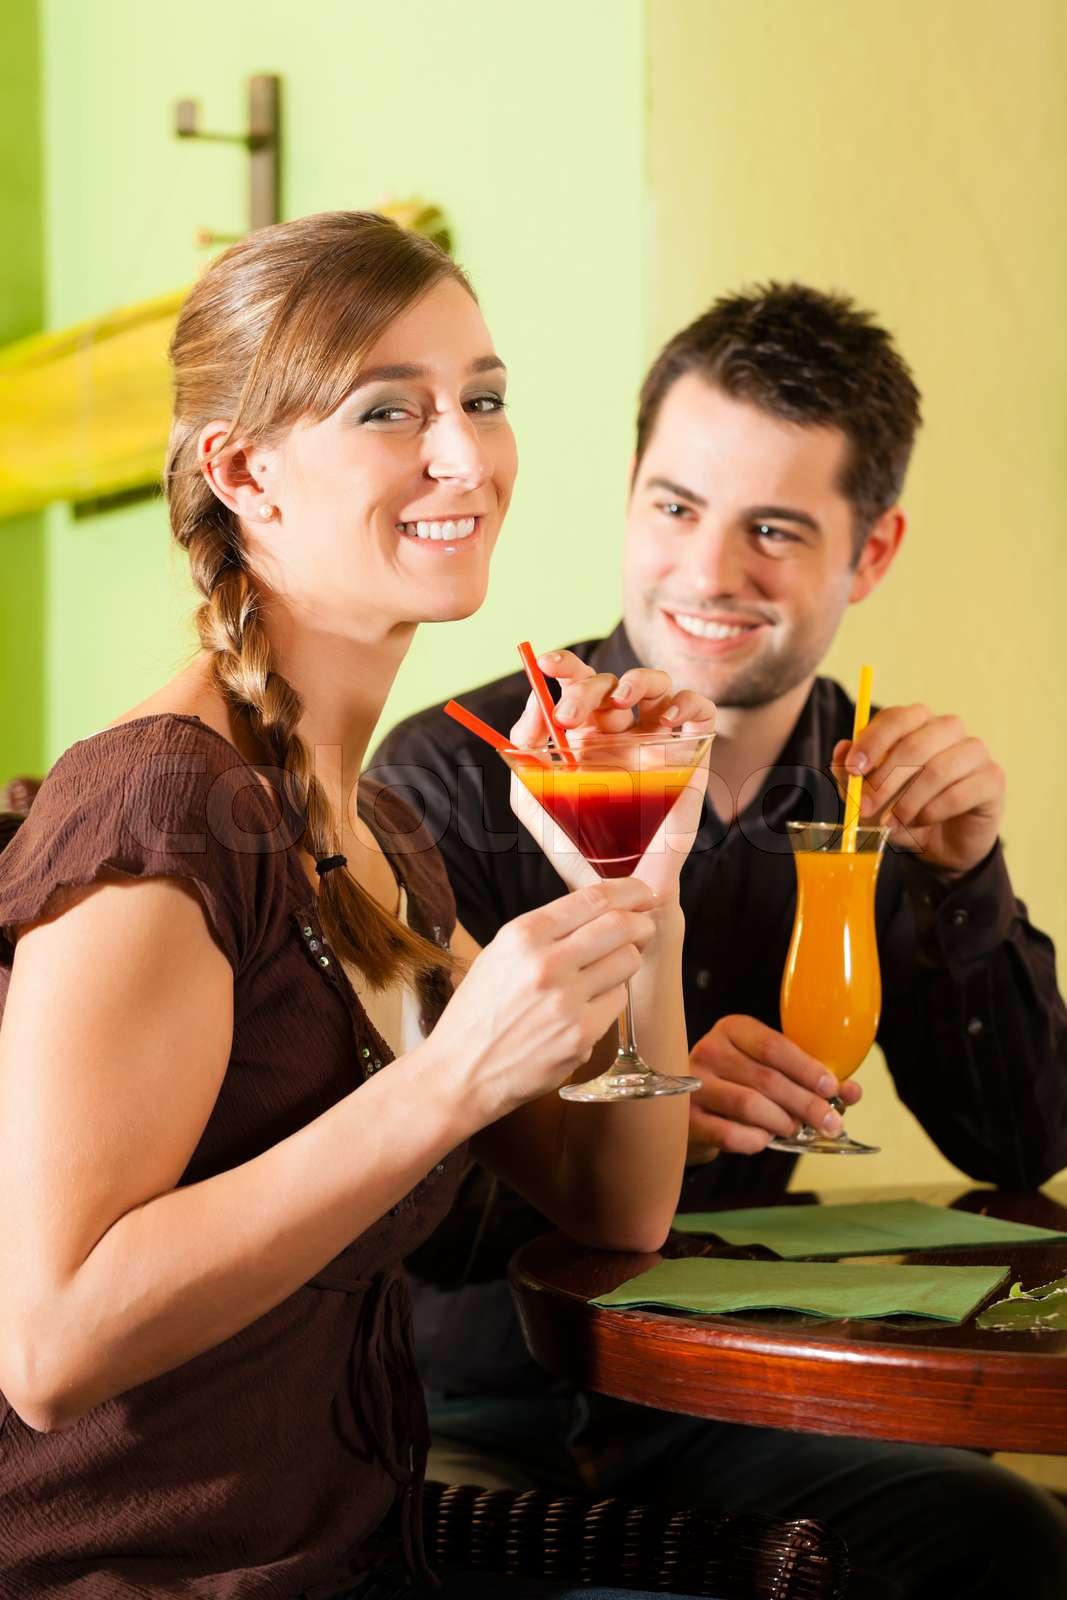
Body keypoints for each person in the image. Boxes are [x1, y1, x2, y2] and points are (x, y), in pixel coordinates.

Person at [0, 212, 718, 1600]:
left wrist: (644, 892)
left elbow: (614, 1207)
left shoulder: (371, 831)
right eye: (393, 410)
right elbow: (50, 1345)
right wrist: (444, 1084)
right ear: (243, 471)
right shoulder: (158, 811)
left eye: (485, 400)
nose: (467, 455)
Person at [371, 283, 1067, 1600]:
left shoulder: (868, 800)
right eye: (676, 508)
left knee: (1013, 1540)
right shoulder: (455, 782)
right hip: (475, 1408)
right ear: (631, 493)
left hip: (735, 1396)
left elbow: (1021, 1144)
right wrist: (631, 1122)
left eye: (777, 531)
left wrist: (969, 878)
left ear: (869, 555)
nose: (705, 573)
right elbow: (412, 1217)